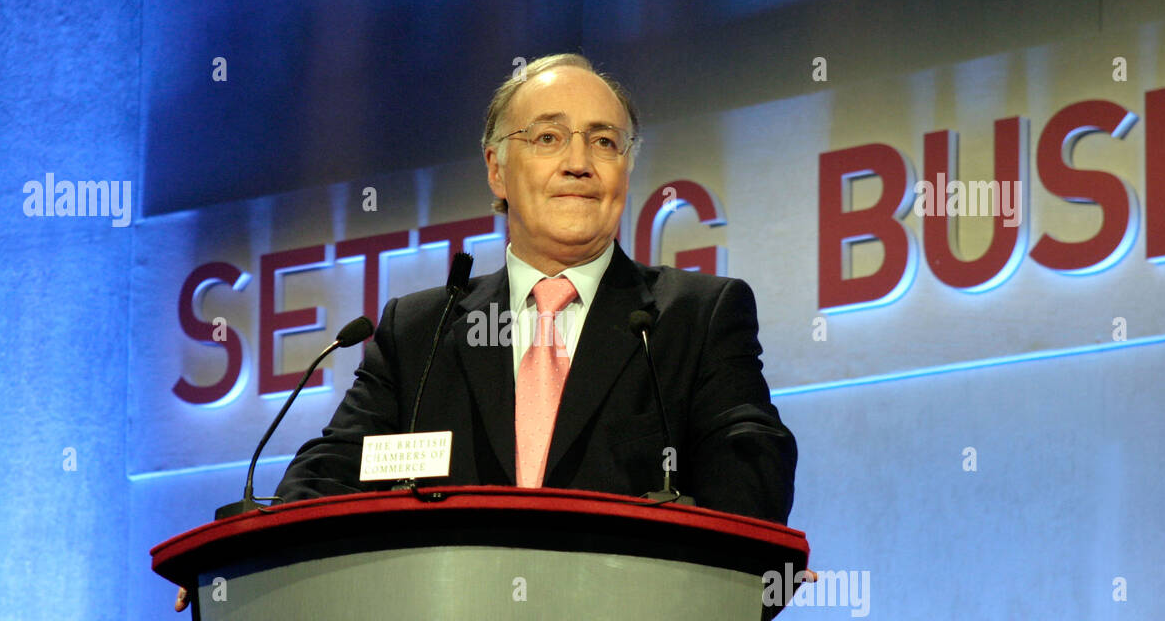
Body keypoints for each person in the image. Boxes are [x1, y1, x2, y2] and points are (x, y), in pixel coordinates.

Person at [272, 53, 796, 520]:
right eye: (548, 138)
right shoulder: (419, 335)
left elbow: (750, 473)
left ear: (626, 170)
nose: (578, 164)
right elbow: (330, 472)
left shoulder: (696, 317)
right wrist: (244, 559)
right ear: (496, 170)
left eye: (604, 142)